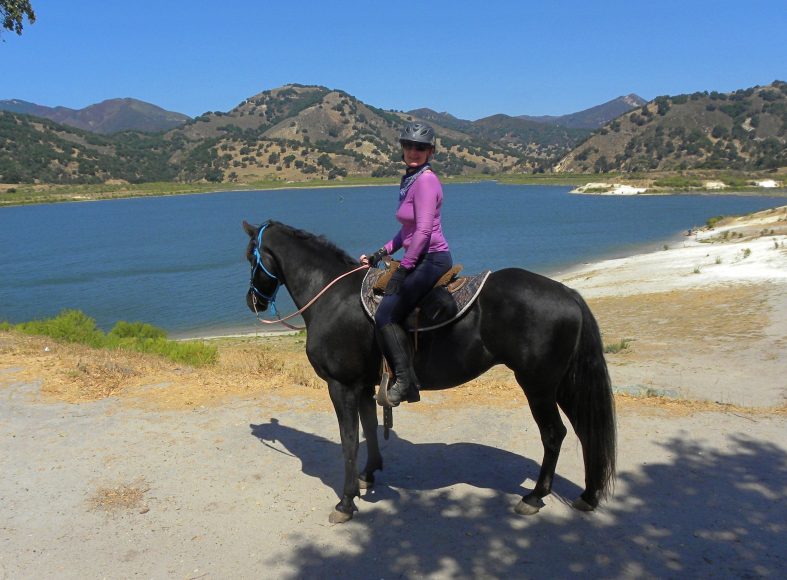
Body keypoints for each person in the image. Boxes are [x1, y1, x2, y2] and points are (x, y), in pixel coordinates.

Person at [360, 122, 452, 407]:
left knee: (385, 314)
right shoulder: (411, 179)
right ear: (402, 148)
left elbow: (423, 233)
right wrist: (381, 252)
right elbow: (408, 232)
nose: (414, 151)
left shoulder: (425, 181)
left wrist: (403, 268)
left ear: (430, 152)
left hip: (431, 258)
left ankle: (404, 381)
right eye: (409, 146)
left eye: (420, 147)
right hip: (419, 254)